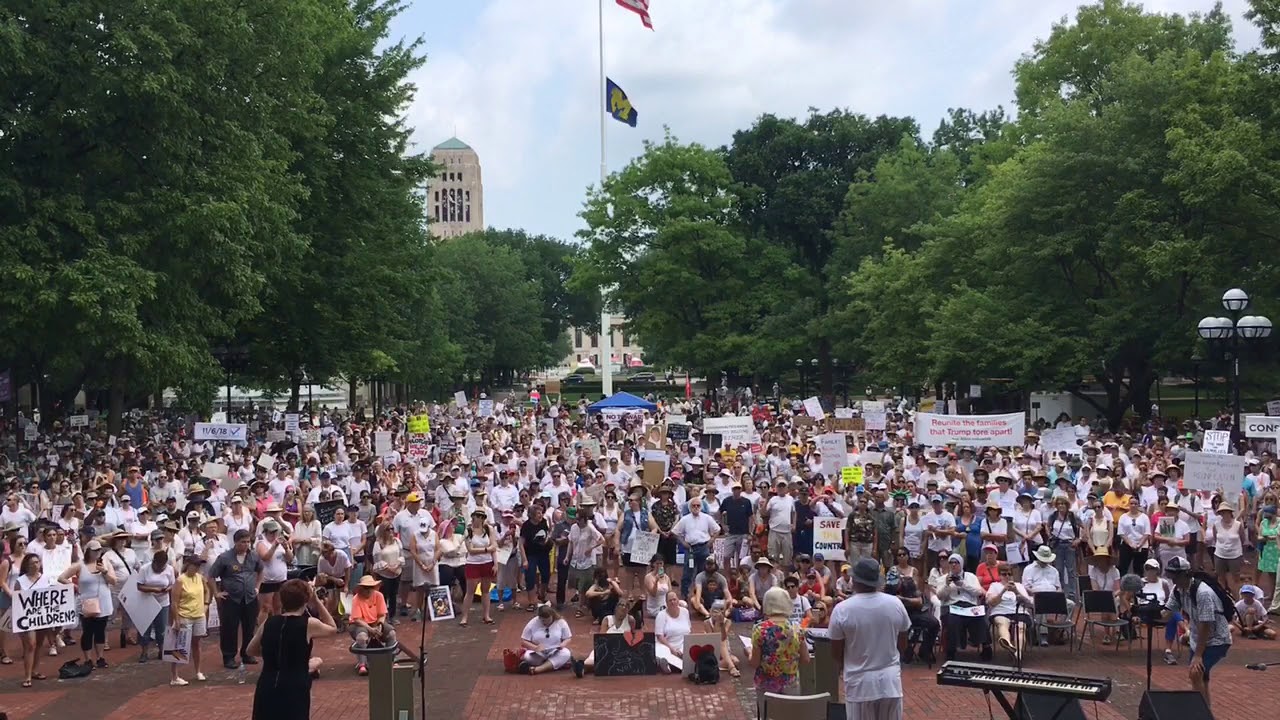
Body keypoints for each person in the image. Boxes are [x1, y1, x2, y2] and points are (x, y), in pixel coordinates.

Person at [828, 558, 911, 720]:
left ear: (855, 580)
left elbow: (836, 653)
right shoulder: (895, 604)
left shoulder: (842, 609)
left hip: (859, 683)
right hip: (890, 682)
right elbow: (903, 643)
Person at [248, 578, 337, 720]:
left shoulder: (268, 623)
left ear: (282, 600)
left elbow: (250, 650)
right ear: (305, 600)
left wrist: (277, 653)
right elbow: (333, 628)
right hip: (295, 684)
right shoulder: (309, 623)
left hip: (268, 683)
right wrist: (317, 601)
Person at [1162, 556, 1231, 710]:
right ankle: (1206, 712)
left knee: (1195, 673)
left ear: (1186, 574)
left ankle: (1200, 712)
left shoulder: (1203, 593)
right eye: (1171, 576)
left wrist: (1198, 655)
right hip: (1196, 638)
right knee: (1201, 677)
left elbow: (1206, 625)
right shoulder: (1178, 590)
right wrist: (1148, 613)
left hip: (1217, 640)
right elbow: (1167, 612)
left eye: (1176, 576)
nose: (1173, 580)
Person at [208, 529, 264, 668]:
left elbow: (261, 570)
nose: (246, 545)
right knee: (229, 628)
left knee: (249, 628)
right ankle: (229, 657)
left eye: (248, 542)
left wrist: (257, 587)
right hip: (231, 599)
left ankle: (247, 654)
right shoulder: (225, 557)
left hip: (250, 598)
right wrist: (216, 593)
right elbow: (211, 576)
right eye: (243, 542)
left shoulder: (254, 556)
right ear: (236, 542)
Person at [58, 538, 116, 669]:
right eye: (94, 551)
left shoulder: (105, 563)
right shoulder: (80, 565)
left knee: (100, 630)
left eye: (99, 550)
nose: (97, 553)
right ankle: (88, 659)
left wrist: (104, 571)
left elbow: (113, 581)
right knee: (88, 631)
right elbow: (61, 577)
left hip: (103, 601)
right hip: (87, 602)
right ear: (88, 552)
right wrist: (74, 586)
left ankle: (100, 657)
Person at [168, 553, 214, 685]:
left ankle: (198, 671)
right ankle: (174, 676)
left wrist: (206, 605)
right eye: (195, 565)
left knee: (197, 643)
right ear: (189, 565)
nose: (197, 568)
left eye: (199, 566)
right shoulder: (180, 580)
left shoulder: (200, 577)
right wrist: (176, 620)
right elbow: (174, 602)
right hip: (184, 616)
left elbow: (207, 591)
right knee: (180, 645)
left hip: (198, 615)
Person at [937, 553, 991, 661]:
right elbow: (940, 596)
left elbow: (978, 592)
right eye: (951, 563)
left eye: (956, 563)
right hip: (952, 605)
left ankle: (986, 647)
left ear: (961, 564)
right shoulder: (943, 579)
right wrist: (947, 586)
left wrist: (963, 584)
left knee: (981, 618)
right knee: (953, 620)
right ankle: (951, 650)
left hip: (969, 605)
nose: (953, 565)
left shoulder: (971, 577)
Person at [349, 575, 397, 676]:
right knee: (362, 637)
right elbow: (357, 619)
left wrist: (379, 625)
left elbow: (382, 614)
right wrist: (370, 629)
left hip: (376, 622)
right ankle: (362, 664)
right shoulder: (356, 599)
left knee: (391, 633)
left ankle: (390, 660)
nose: (368, 591)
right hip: (360, 624)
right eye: (365, 588)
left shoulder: (379, 596)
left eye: (370, 588)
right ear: (361, 589)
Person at [985, 562, 1033, 660]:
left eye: (1009, 574)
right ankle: (1007, 643)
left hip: (1019, 611)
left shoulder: (1019, 586)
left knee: (1021, 628)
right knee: (1002, 624)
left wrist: (1016, 591)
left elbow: (1028, 603)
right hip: (1000, 611)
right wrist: (1003, 591)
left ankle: (1017, 654)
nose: (1007, 576)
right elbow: (990, 603)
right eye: (1004, 574)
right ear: (999, 575)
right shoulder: (994, 586)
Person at [135, 549, 175, 662]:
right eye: (158, 566)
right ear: (154, 562)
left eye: (163, 566)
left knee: (161, 628)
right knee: (145, 628)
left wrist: (167, 589)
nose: (160, 568)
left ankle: (161, 650)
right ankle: (144, 652)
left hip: (163, 602)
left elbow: (173, 584)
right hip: (146, 601)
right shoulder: (144, 569)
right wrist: (153, 589)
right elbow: (139, 586)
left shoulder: (170, 569)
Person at [518, 604, 573, 675]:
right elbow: (523, 640)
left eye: (548, 620)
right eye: (543, 620)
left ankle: (537, 669)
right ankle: (552, 665)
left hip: (554, 651)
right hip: (538, 653)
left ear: (552, 616)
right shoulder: (533, 623)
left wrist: (563, 644)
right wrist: (535, 648)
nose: (545, 623)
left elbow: (568, 638)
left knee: (566, 653)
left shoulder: (561, 622)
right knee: (527, 656)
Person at [654, 590, 691, 672]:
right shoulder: (661, 615)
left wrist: (681, 649)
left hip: (682, 644)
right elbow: (660, 636)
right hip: (666, 644)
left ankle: (671, 664)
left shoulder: (685, 612)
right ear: (666, 603)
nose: (673, 602)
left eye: (674, 599)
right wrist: (672, 649)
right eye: (670, 600)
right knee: (662, 651)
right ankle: (667, 664)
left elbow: (688, 632)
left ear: (678, 600)